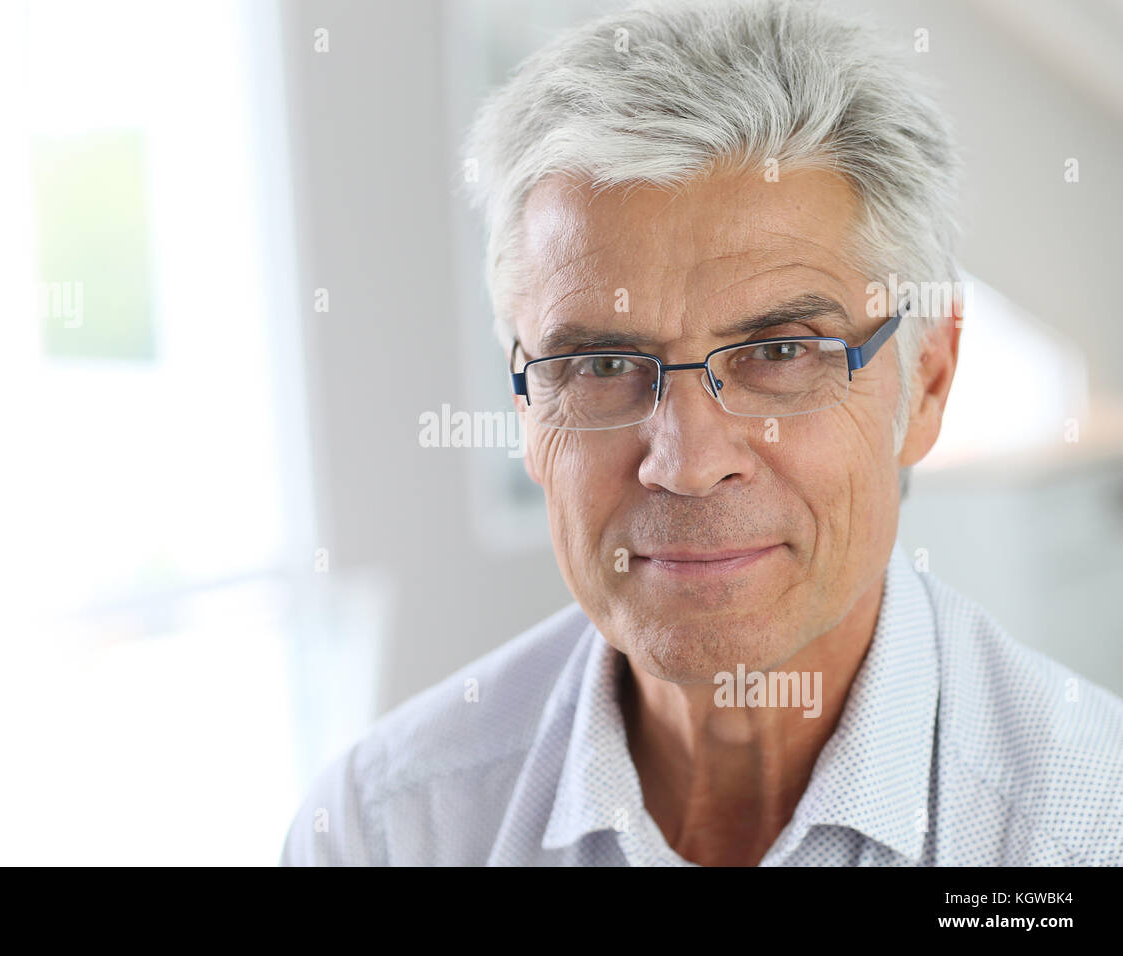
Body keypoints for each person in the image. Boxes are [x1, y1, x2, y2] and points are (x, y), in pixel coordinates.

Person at [281, 0, 1123, 866]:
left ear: (929, 382)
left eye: (783, 352)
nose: (686, 464)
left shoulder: (1088, 830)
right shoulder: (386, 830)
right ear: (525, 411)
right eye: (602, 365)